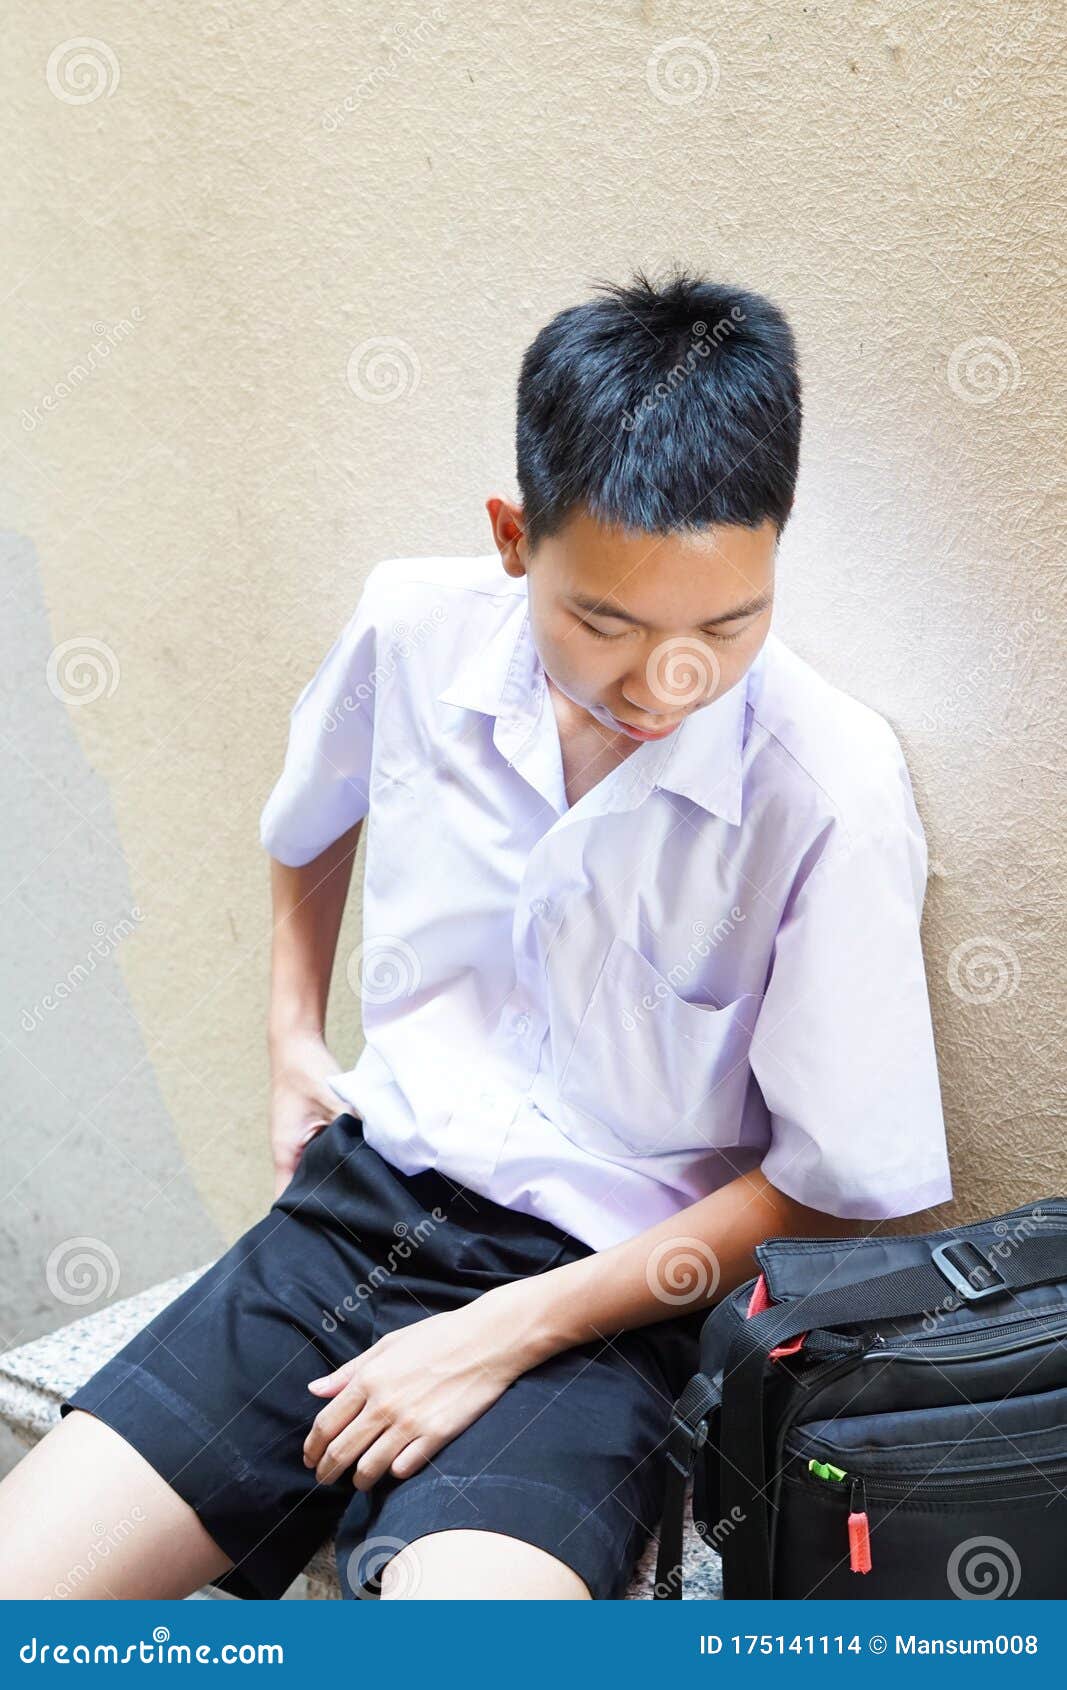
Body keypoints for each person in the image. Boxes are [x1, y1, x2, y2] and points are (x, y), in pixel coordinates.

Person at [0, 268, 952, 1601]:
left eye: (727, 623)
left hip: (613, 1298)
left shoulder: (828, 783)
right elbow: (306, 820)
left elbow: (834, 1184)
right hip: (357, 1214)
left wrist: (495, 1334)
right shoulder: (412, 625)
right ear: (514, 537)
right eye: (605, 622)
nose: (669, 681)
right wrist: (289, 1037)